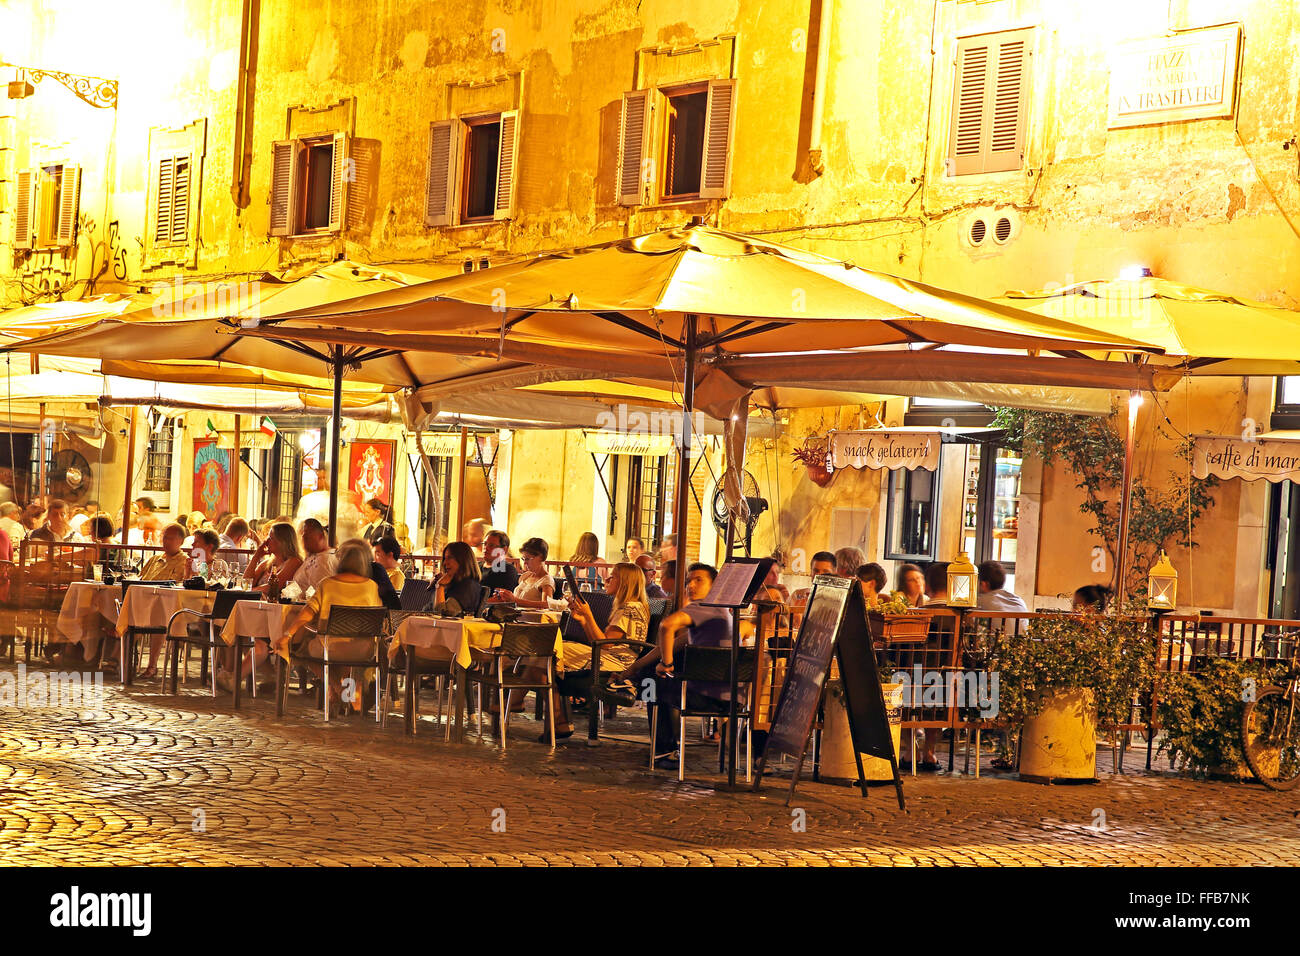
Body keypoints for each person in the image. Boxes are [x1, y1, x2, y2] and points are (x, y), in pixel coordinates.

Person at [269, 539, 384, 714]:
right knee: (346, 660)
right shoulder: (371, 586)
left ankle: (337, 688)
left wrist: (288, 634)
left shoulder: (328, 584)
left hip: (329, 647)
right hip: (363, 649)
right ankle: (348, 697)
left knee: (303, 651)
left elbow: (307, 613)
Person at [648, 563, 733, 767]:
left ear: (714, 586)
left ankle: (665, 751)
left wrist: (665, 664)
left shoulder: (704, 606)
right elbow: (680, 641)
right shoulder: (724, 611)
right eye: (688, 581)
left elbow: (666, 625)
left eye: (698, 580)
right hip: (733, 700)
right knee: (653, 673)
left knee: (652, 684)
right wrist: (637, 666)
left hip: (704, 696)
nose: (691, 586)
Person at [556, 562, 653, 740]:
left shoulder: (630, 608)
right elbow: (599, 642)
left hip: (617, 662)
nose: (607, 579)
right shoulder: (630, 605)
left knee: (553, 650)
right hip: (609, 655)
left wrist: (589, 615)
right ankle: (558, 719)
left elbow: (606, 644)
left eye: (613, 576)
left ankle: (558, 718)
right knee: (555, 649)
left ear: (624, 583)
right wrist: (584, 619)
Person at [137, 522, 190, 678]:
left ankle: (151, 665)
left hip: (168, 606)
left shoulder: (185, 562)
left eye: (170, 538)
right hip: (143, 601)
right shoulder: (154, 559)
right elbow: (140, 578)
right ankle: (118, 660)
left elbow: (183, 585)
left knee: (157, 616)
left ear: (180, 541)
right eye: (164, 537)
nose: (165, 541)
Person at [488, 537, 554, 608]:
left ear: (541, 557)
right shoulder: (526, 576)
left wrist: (514, 600)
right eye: (523, 559)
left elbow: (547, 604)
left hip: (530, 618)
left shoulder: (546, 580)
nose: (525, 563)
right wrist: (504, 596)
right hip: (516, 615)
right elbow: (516, 600)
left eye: (528, 559)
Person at [243, 521, 303, 599]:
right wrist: (256, 556)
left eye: (270, 538)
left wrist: (250, 591)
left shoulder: (294, 562)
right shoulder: (267, 563)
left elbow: (273, 587)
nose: (266, 541)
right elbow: (246, 582)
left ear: (282, 542)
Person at [432, 540, 481, 614]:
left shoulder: (468, 586)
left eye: (450, 558)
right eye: (445, 558)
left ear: (463, 560)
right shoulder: (452, 583)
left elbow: (442, 614)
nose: (445, 562)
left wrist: (440, 586)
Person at [292, 518, 337, 595]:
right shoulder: (314, 556)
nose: (303, 538)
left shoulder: (323, 561)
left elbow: (322, 595)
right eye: (303, 535)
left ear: (320, 536)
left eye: (307, 537)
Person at [480, 528, 519, 593]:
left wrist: (478, 603)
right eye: (484, 543)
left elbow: (501, 598)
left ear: (504, 549)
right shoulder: (476, 566)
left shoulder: (506, 569)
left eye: (491, 545)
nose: (486, 547)